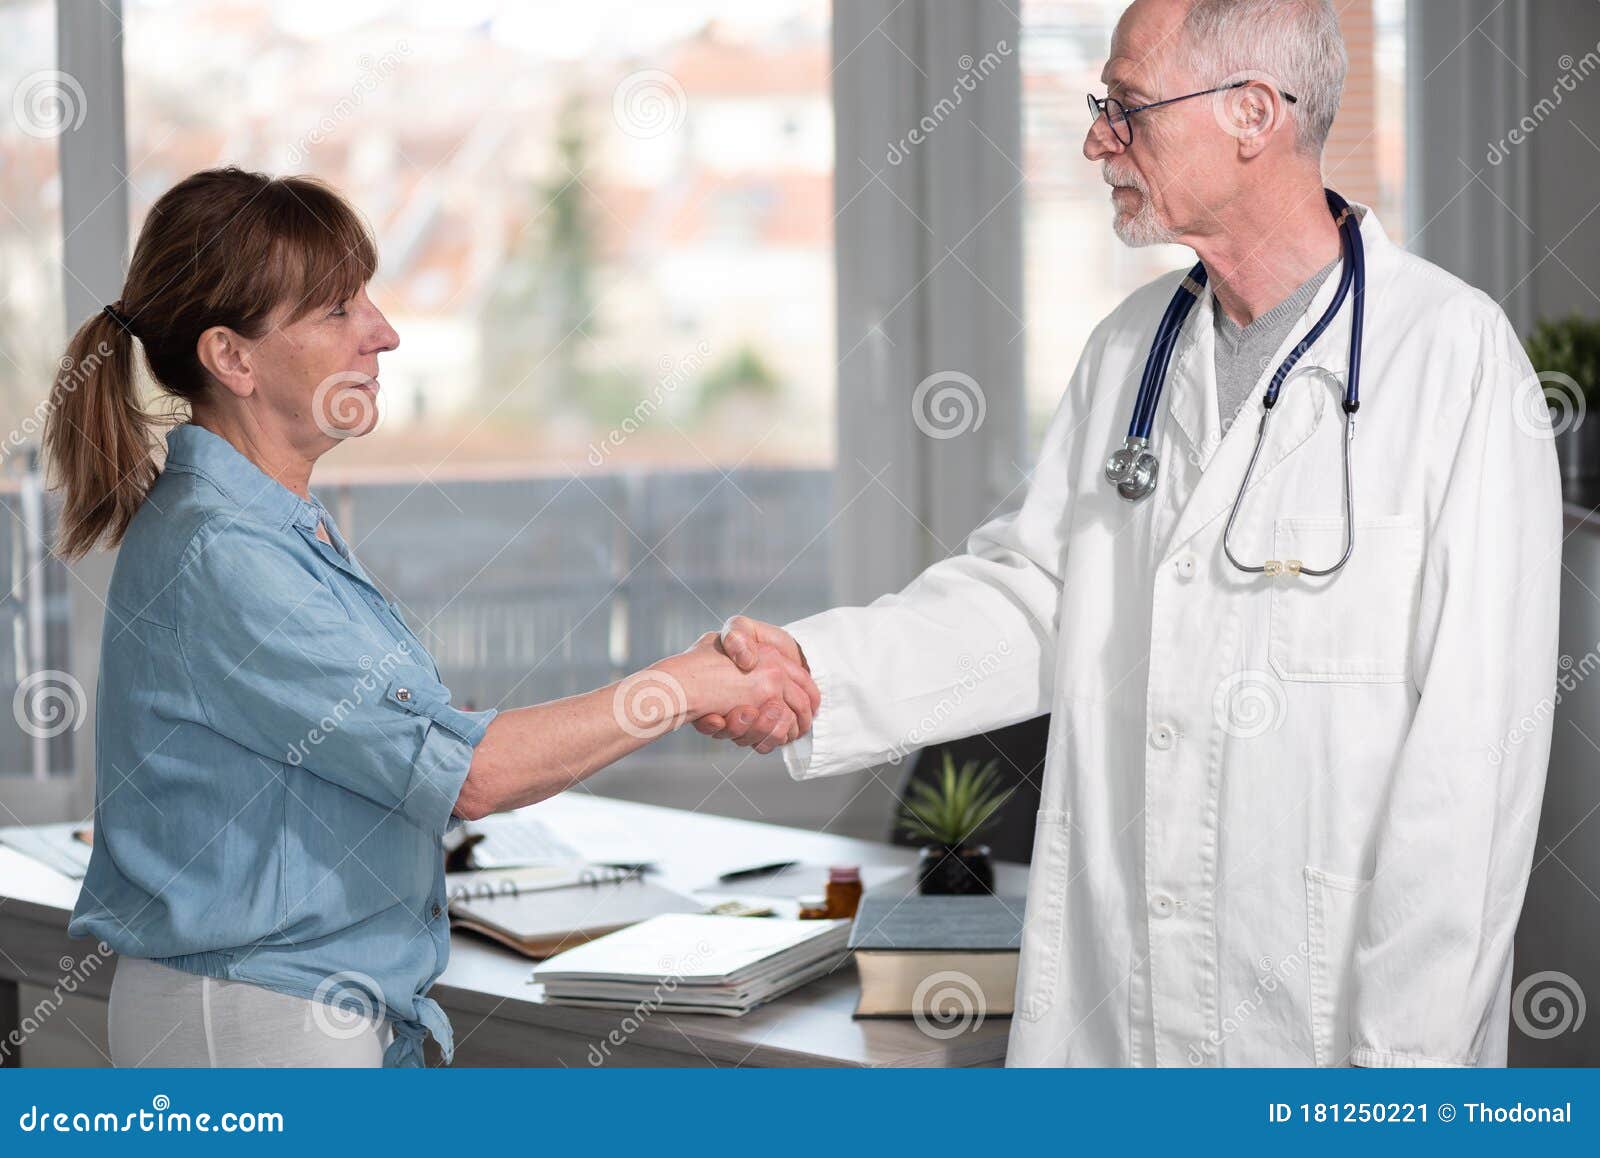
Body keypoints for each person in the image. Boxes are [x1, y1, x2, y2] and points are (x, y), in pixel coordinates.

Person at [699, 0, 1561, 1067]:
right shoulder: (1128, 355)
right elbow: (1039, 603)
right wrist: (815, 670)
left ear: (1253, 115)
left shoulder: (1452, 361)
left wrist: (1403, 1084)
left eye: (1127, 106)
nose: (1097, 138)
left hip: (1330, 1032)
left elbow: (1471, 770)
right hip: (1119, 1022)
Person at [45, 167, 819, 1068]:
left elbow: (419, 748)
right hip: (257, 1027)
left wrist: (688, 678)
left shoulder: (271, 530)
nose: (383, 334)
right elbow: (470, 775)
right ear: (233, 357)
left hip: (297, 1008)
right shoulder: (229, 553)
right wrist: (684, 687)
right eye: (337, 311)